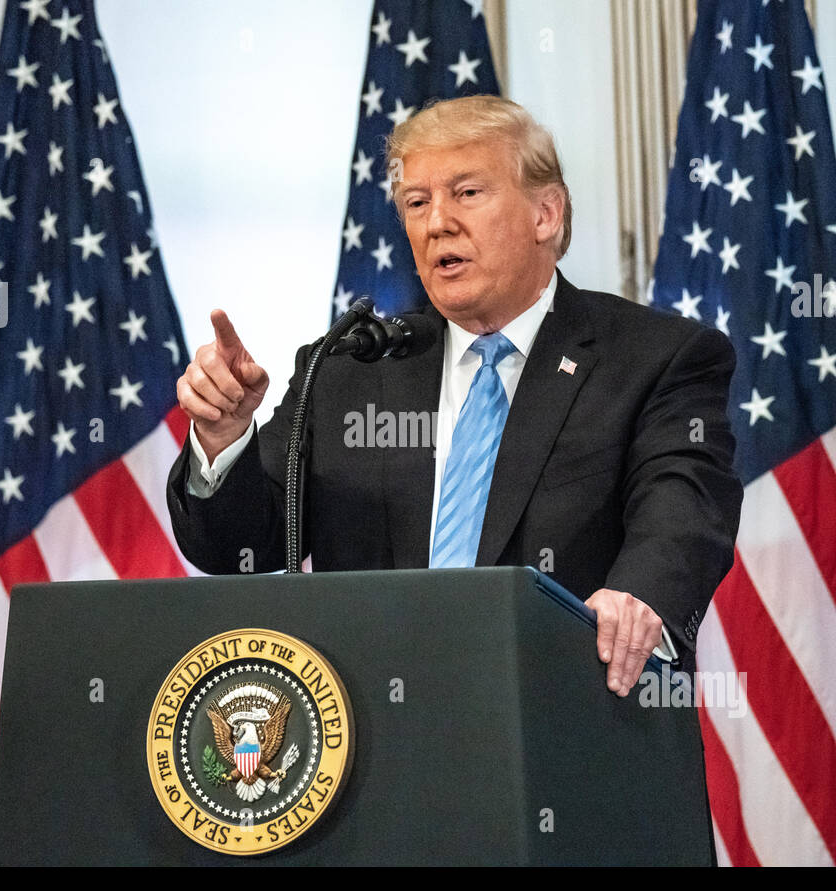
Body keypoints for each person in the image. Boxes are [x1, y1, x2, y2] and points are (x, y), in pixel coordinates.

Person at [168, 95, 742, 697]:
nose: (437, 221)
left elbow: (684, 505)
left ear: (546, 214)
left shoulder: (653, 358)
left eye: (467, 193)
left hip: (568, 715)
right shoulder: (346, 369)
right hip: (373, 737)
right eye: (417, 202)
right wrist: (223, 437)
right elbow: (241, 549)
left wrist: (639, 594)